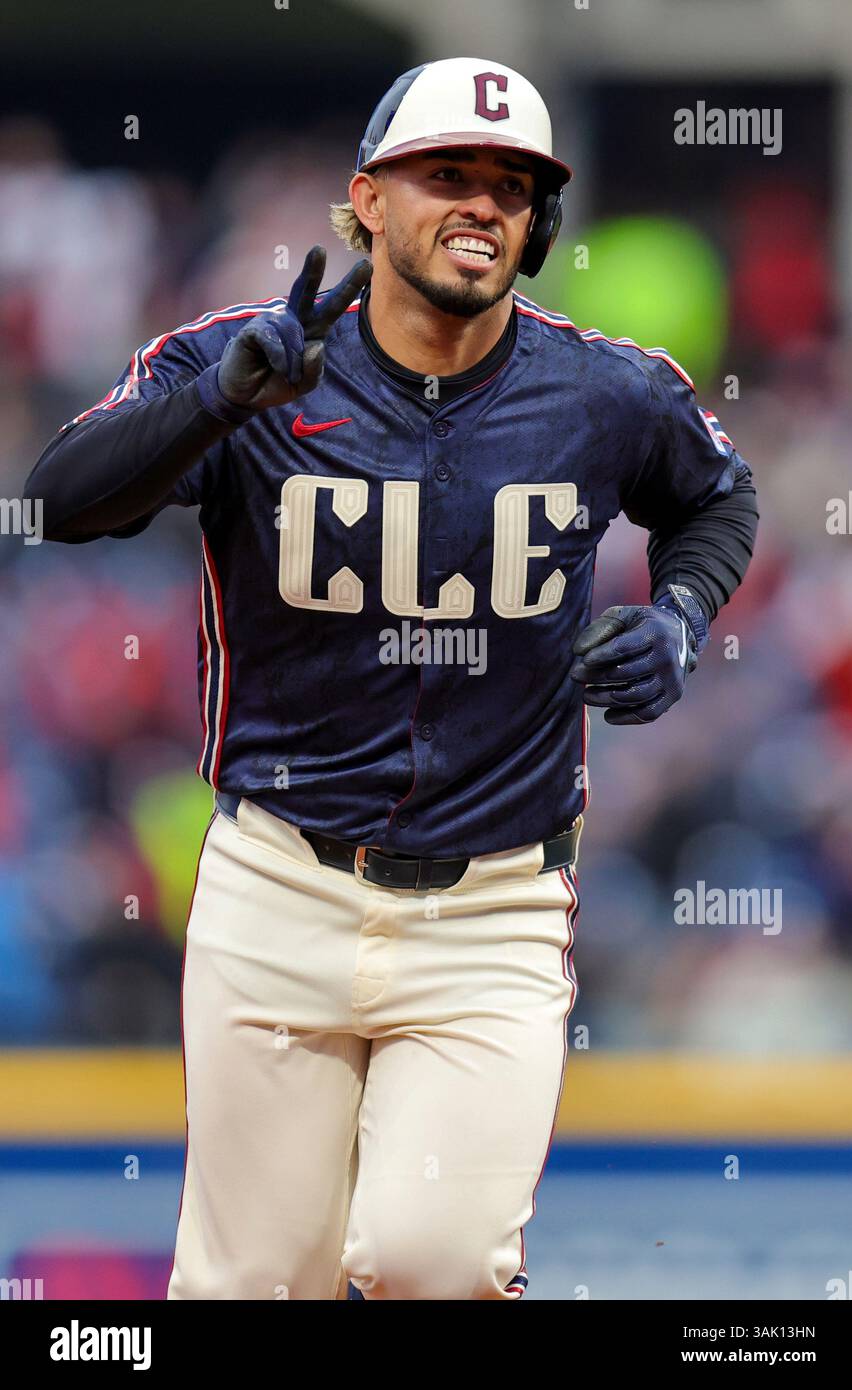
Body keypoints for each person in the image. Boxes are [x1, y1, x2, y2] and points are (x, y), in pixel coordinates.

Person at [23, 57, 758, 1300]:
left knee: (433, 1260)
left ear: (538, 228)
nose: (481, 203)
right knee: (253, 1284)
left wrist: (681, 615)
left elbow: (716, 496)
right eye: (447, 175)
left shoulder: (602, 389)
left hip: (492, 904)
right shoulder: (250, 357)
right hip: (277, 883)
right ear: (365, 199)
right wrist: (218, 403)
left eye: (510, 186)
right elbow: (51, 502)